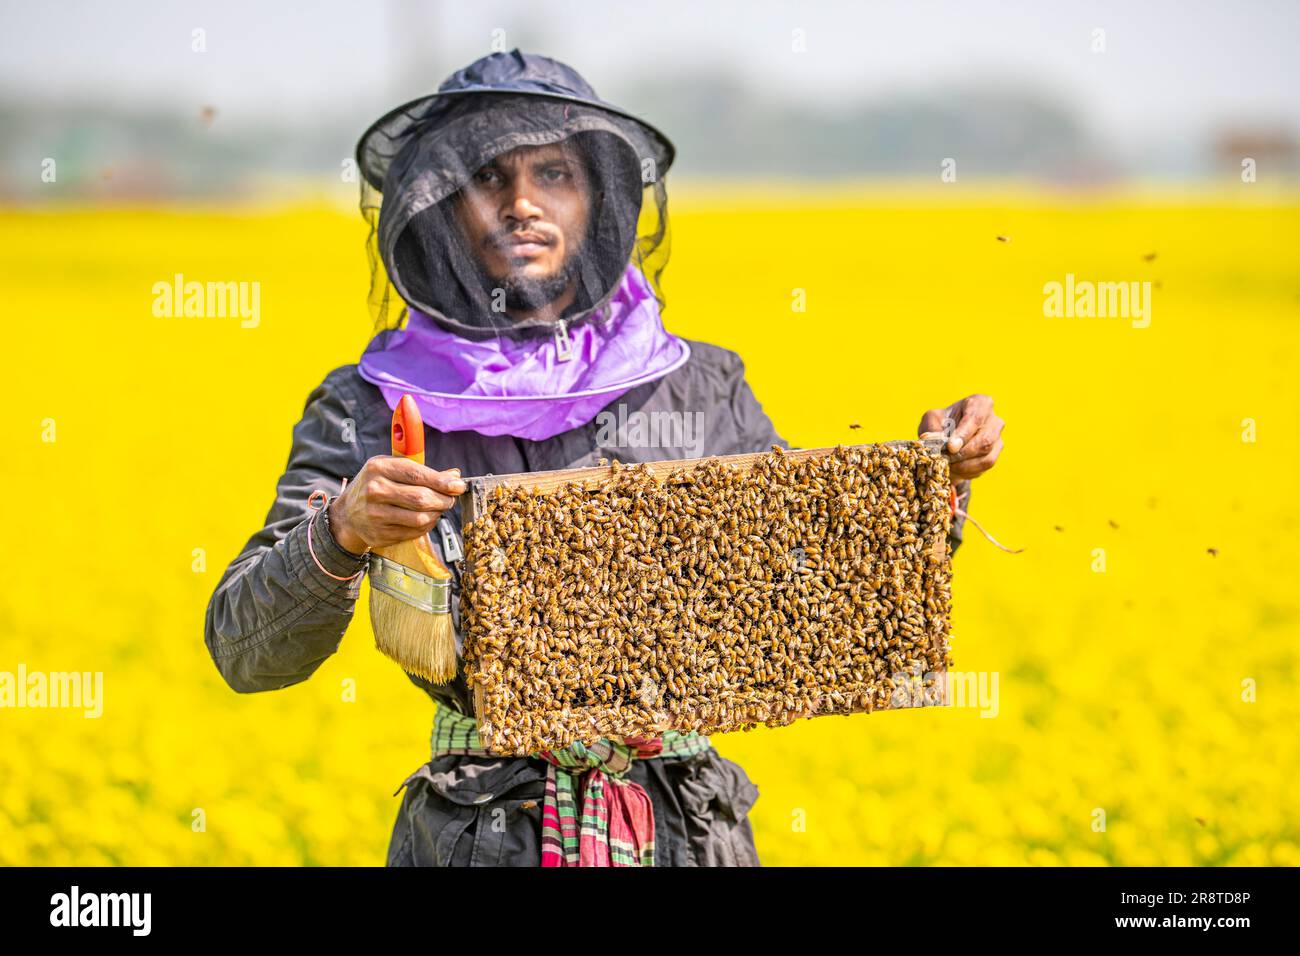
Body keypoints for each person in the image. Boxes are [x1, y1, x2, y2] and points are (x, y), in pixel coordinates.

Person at [203, 49, 1005, 867]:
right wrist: (341, 530)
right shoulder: (370, 404)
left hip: (690, 832)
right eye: (488, 176)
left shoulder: (697, 384)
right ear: (441, 204)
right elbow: (245, 651)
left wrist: (928, 484)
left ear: (599, 198)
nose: (522, 204)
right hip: (483, 837)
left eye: (554, 174)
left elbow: (820, 585)